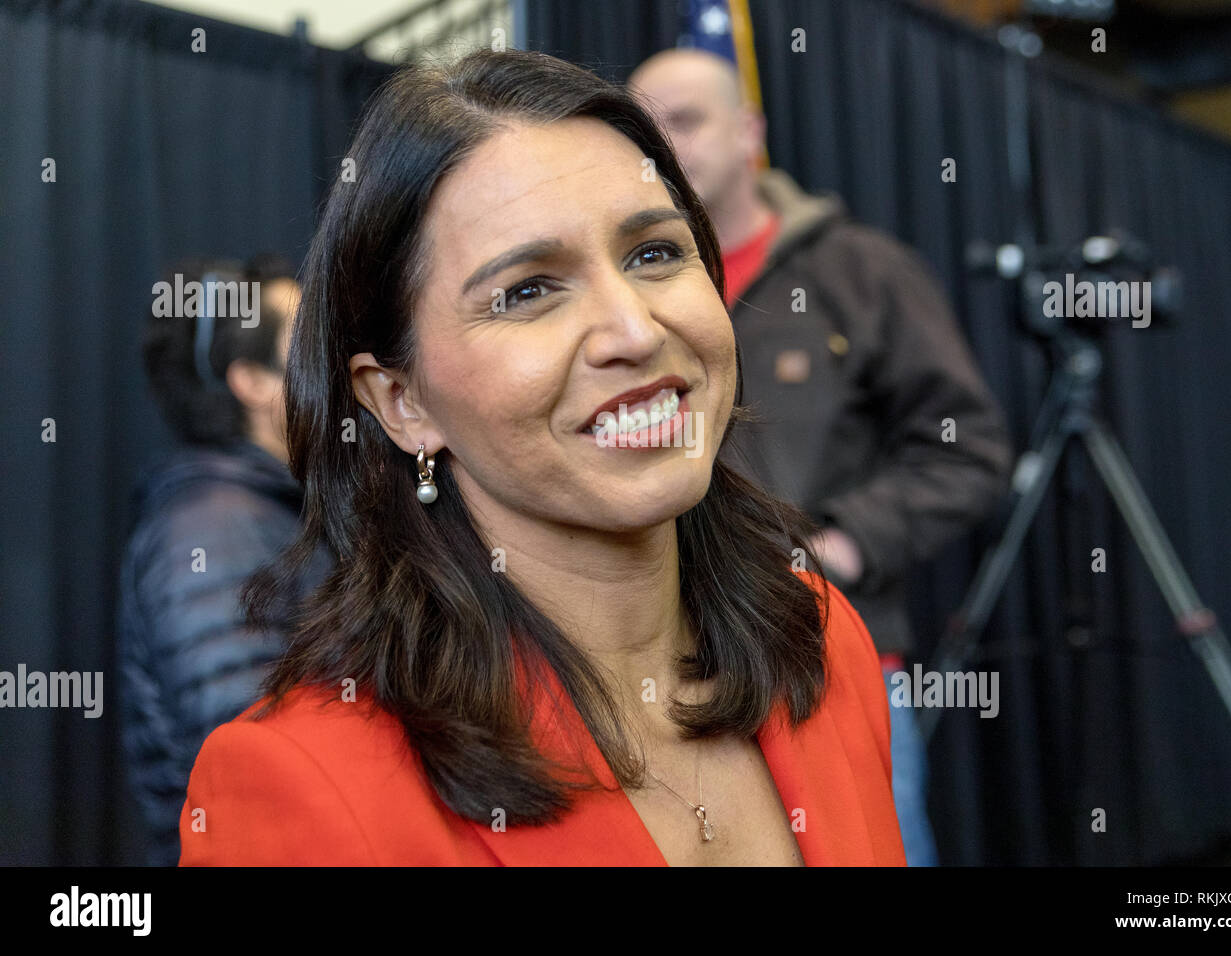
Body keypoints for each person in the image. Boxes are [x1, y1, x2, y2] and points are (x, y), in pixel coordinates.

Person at [178, 48, 906, 866]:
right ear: (403, 402)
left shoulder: (820, 638)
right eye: (528, 290)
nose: (634, 331)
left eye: (655, 253)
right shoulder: (300, 786)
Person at [629, 49, 1013, 866]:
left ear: (750, 132)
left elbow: (967, 448)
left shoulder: (859, 271)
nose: (665, 145)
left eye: (686, 120)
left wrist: (844, 545)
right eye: (645, 128)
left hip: (829, 656)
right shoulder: (627, 299)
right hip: (658, 676)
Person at [118, 254, 331, 866]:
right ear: (253, 381)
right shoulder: (212, 530)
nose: (336, 357)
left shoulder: (267, 509)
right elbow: (263, 789)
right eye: (310, 341)